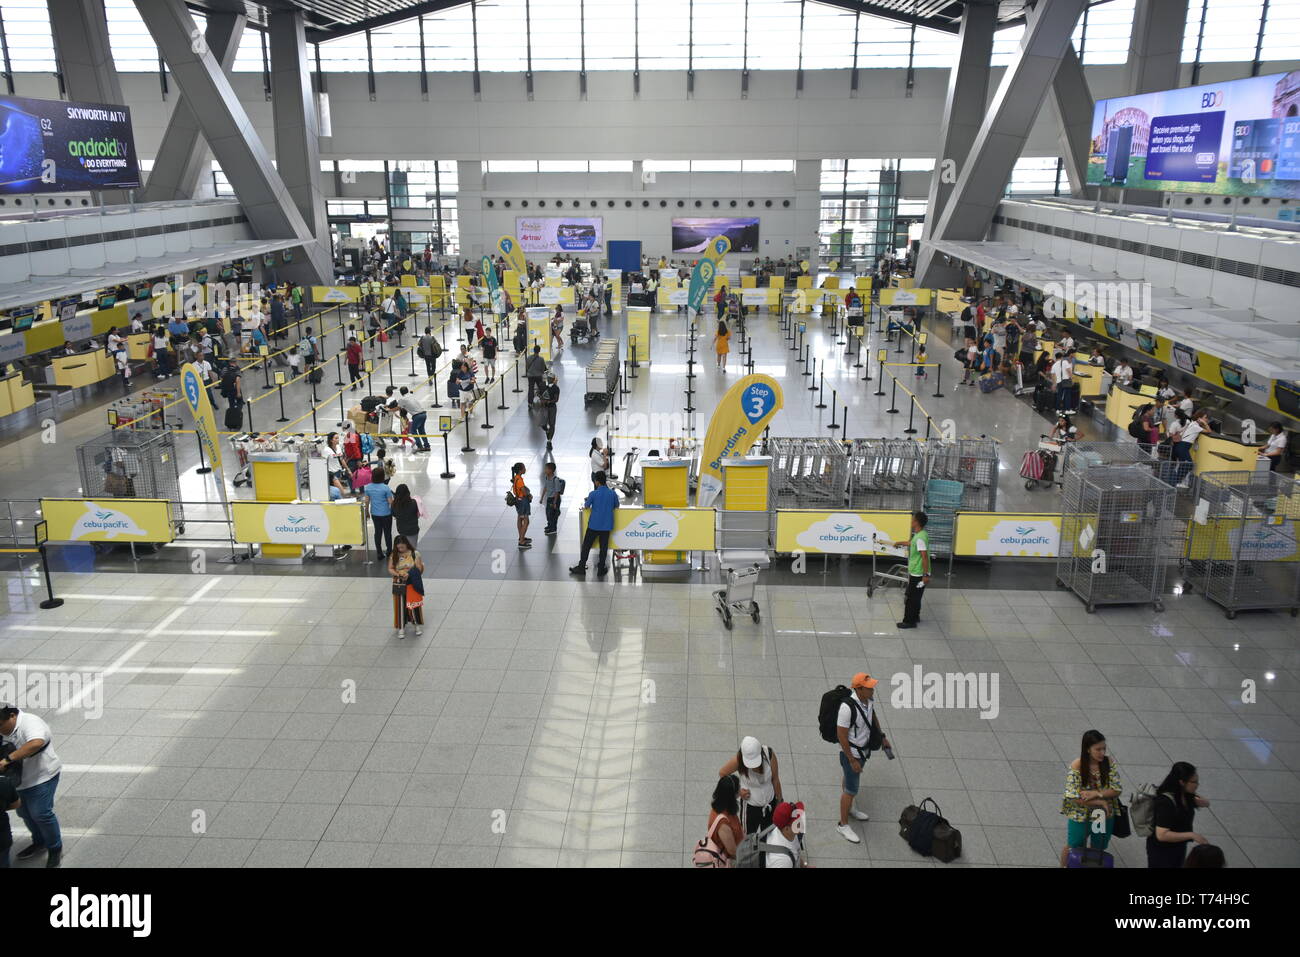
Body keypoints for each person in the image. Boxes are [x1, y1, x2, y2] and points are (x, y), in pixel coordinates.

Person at [0, 704, 63, 868]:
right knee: (25, 813)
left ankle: (55, 848)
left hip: (41, 777)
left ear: (12, 716)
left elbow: (36, 743)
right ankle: (39, 841)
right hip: (17, 781)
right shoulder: (4, 727)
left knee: (41, 813)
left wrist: (8, 759)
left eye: (1, 725)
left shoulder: (30, 722)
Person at [1059, 729, 1123, 867]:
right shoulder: (1078, 765)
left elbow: (1116, 789)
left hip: (1102, 814)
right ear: (1088, 749)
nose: (1102, 753)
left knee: (1098, 847)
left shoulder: (1108, 762)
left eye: (1104, 749)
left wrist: (1096, 794)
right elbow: (1072, 795)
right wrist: (1100, 801)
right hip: (1081, 813)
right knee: (1073, 845)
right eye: (1098, 749)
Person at [835, 673, 887, 845]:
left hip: (862, 752)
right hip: (853, 754)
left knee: (850, 781)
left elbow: (872, 716)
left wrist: (882, 736)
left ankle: (850, 808)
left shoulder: (868, 701)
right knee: (850, 790)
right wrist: (852, 760)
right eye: (869, 687)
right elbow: (841, 736)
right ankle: (843, 825)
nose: (872, 689)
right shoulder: (846, 708)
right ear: (858, 689)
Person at [718, 736, 784, 843]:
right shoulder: (738, 760)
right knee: (747, 837)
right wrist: (738, 791)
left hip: (770, 804)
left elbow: (775, 780)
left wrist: (780, 801)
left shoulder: (769, 755)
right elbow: (722, 773)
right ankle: (749, 857)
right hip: (750, 807)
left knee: (768, 835)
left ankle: (764, 857)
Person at [1147, 761, 1210, 868]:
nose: (1197, 785)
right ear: (1181, 782)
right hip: (1162, 852)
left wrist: (1197, 798)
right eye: (1194, 782)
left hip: (1178, 847)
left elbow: (1205, 802)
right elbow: (1162, 835)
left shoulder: (1186, 796)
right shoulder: (1165, 802)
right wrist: (1191, 835)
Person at [570, 470, 618, 577]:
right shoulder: (612, 493)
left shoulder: (593, 494)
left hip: (594, 525)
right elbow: (616, 505)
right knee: (603, 547)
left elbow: (586, 506)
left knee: (586, 546)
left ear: (596, 482)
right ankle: (601, 569)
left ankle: (581, 567)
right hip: (606, 526)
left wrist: (590, 501)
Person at [895, 511, 930, 629]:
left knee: (911, 597)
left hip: (918, 573)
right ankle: (915, 616)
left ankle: (909, 621)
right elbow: (912, 543)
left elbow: (924, 556)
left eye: (912, 519)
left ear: (916, 522)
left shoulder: (919, 538)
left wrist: (925, 575)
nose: (911, 521)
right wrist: (899, 542)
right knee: (916, 596)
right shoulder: (921, 534)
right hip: (919, 572)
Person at [699, 775, 744, 867]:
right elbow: (732, 851)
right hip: (729, 861)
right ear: (731, 795)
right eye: (738, 787)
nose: (740, 788)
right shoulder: (723, 824)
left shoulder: (721, 805)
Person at [387, 535, 425, 639]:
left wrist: (409, 573)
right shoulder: (394, 555)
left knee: (413, 605)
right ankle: (401, 628)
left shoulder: (415, 554)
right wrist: (398, 574)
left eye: (402, 547)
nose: (401, 550)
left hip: (412, 583)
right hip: (399, 583)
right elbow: (390, 568)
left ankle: (416, 625)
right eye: (398, 548)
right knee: (400, 606)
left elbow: (419, 568)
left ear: (407, 545)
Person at [363, 466, 395, 559]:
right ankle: (389, 551)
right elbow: (390, 502)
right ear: (382, 477)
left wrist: (367, 512)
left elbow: (367, 501)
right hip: (386, 514)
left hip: (375, 514)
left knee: (378, 532)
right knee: (387, 533)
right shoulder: (386, 488)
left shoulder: (368, 487)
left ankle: (379, 553)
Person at [766, 801, 809, 868]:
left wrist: (803, 865)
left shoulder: (790, 834)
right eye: (797, 822)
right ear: (787, 829)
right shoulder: (783, 861)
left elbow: (795, 852)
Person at [397, 387, 429, 452]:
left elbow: (398, 408)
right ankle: (427, 446)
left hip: (417, 416)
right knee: (421, 431)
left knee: (413, 430)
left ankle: (420, 446)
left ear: (401, 393)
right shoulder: (412, 395)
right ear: (407, 391)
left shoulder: (402, 399)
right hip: (423, 414)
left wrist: (388, 409)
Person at [540, 461, 565, 536]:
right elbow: (545, 487)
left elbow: (557, 491)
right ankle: (550, 525)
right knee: (548, 513)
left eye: (546, 469)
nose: (545, 470)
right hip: (549, 498)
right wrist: (542, 498)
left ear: (551, 470)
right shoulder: (547, 477)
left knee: (553, 514)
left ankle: (553, 529)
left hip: (555, 499)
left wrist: (554, 502)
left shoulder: (555, 480)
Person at [510, 462, 532, 549]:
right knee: (526, 521)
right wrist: (529, 495)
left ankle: (521, 536)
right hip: (523, 501)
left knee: (520, 518)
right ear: (520, 470)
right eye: (524, 468)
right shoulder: (519, 480)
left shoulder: (516, 478)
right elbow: (524, 491)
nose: (525, 469)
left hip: (518, 500)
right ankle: (522, 541)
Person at [538, 371, 560, 448]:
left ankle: (549, 441)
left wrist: (548, 401)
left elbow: (556, 399)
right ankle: (547, 430)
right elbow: (538, 393)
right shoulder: (542, 385)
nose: (550, 379)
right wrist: (541, 399)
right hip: (543, 407)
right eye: (549, 378)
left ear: (553, 379)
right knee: (543, 424)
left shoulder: (556, 388)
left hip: (552, 407)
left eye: (551, 378)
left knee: (552, 424)